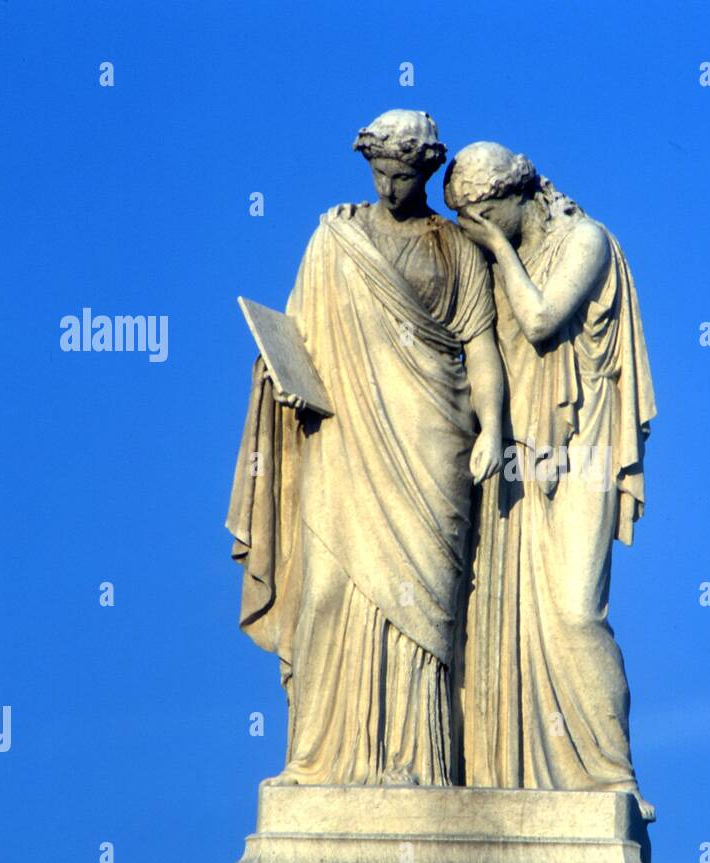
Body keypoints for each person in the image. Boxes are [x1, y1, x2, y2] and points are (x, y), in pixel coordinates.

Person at [227, 111, 504, 787]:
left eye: (402, 174)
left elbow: (482, 349)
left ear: (428, 172)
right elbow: (295, 334)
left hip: (431, 441)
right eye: (378, 171)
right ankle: (319, 759)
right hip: (342, 437)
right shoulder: (334, 240)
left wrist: (493, 428)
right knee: (325, 593)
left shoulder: (457, 250)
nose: (387, 184)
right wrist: (277, 377)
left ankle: (419, 763)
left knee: (422, 613)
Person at [444, 142, 658, 819]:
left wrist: (499, 252)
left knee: (573, 611)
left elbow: (539, 320)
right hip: (515, 449)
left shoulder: (584, 240)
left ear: (517, 194)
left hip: (583, 445)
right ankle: (506, 771)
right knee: (498, 613)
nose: (474, 227)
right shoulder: (485, 254)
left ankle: (611, 773)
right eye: (465, 218)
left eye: (482, 213)